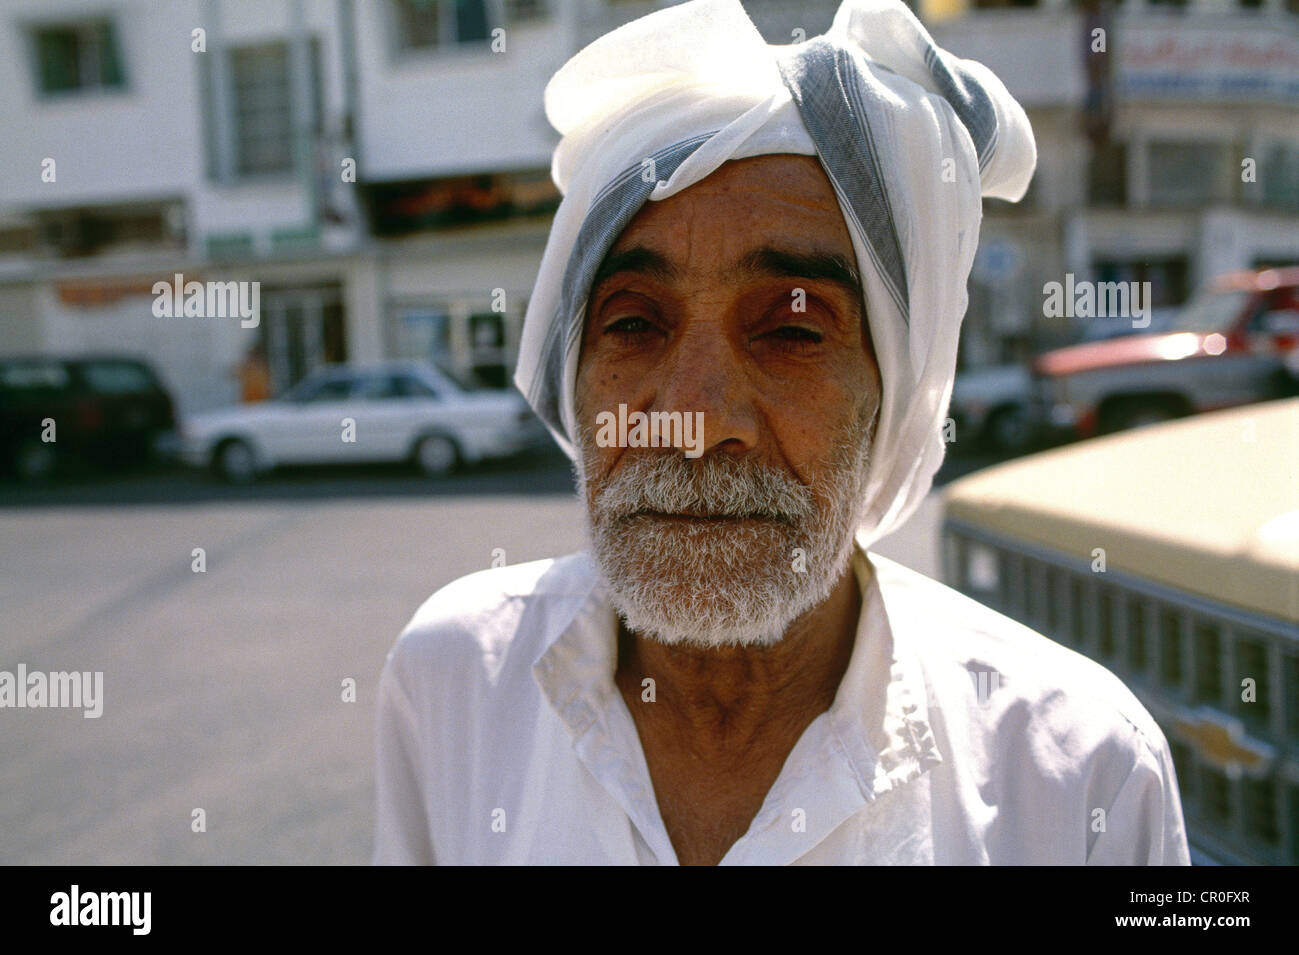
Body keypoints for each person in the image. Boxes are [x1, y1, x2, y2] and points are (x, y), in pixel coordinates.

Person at [372, 0, 1190, 865]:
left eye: (793, 330)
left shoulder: (1081, 773)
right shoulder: (452, 683)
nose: (697, 424)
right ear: (572, 374)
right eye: (634, 324)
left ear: (894, 391)